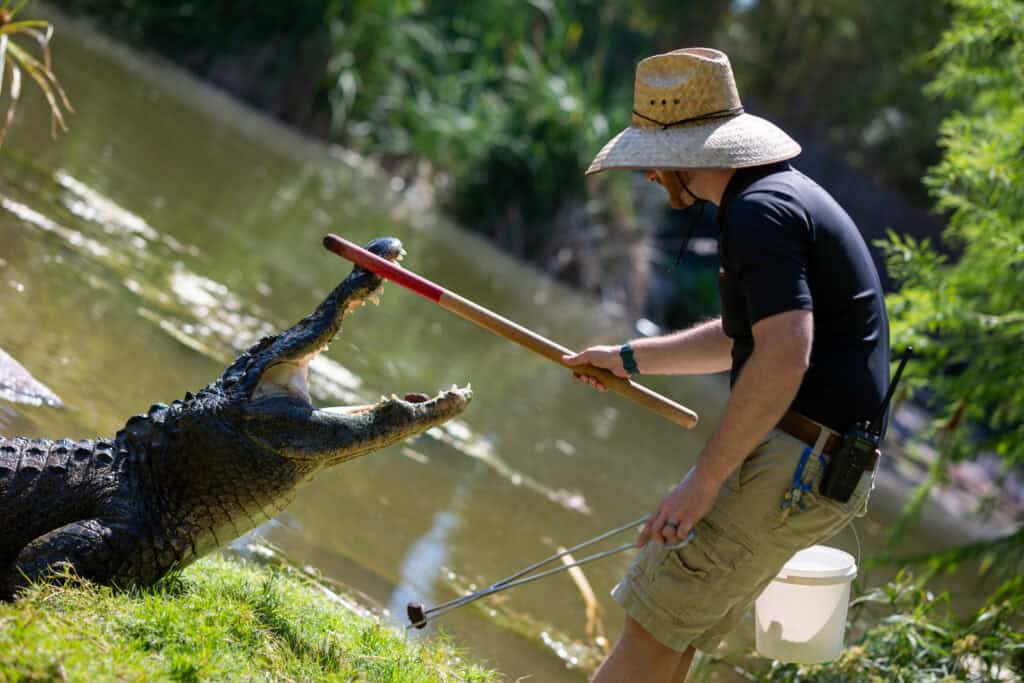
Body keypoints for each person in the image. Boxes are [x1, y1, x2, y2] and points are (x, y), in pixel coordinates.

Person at [563, 48, 890, 682]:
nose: (648, 173)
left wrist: (704, 480)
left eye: (652, 156)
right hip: (813, 463)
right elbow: (745, 338)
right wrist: (627, 359)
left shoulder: (760, 211)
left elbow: (785, 353)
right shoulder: (772, 199)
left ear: (689, 151)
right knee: (670, 635)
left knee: (652, 627)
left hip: (795, 461)